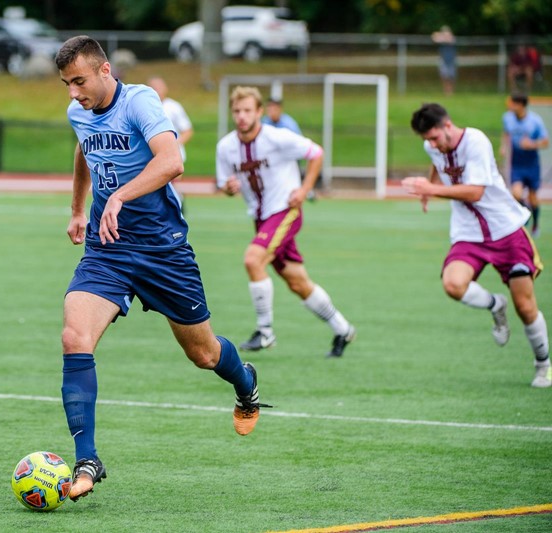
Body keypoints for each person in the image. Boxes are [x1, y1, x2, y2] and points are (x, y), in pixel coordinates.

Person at [54, 36, 270, 502]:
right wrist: (77, 209)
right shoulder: (79, 112)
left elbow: (171, 162)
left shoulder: (139, 102)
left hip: (162, 251)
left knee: (204, 354)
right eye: (67, 83)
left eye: (79, 81)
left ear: (105, 70)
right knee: (75, 337)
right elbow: (84, 150)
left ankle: (245, 382)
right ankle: (88, 458)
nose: (73, 92)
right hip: (108, 247)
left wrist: (119, 195)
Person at [402, 103, 549, 388]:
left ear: (447, 125)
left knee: (525, 306)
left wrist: (431, 189)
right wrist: (429, 187)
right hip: (468, 233)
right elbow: (437, 161)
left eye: (434, 138)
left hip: (506, 230)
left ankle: (544, 365)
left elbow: (475, 192)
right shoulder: (432, 145)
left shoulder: (476, 141)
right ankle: (496, 305)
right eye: (427, 140)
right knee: (453, 284)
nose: (432, 144)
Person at [216, 86, 356, 356]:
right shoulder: (226, 147)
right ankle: (343, 329)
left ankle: (265, 332)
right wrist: (229, 188)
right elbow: (224, 183)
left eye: (247, 110)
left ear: (259, 111)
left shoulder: (277, 137)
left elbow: (316, 153)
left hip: (284, 211)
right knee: (297, 282)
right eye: (237, 111)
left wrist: (304, 190)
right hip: (260, 218)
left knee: (252, 260)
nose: (242, 116)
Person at [500, 93, 549, 238]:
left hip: (532, 163)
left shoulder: (535, 121)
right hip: (517, 163)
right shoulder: (507, 118)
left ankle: (535, 224)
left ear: (520, 105)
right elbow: (506, 133)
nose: (509, 105)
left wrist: (532, 144)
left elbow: (545, 142)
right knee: (516, 194)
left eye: (512, 103)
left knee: (533, 197)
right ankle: (525, 213)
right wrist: (504, 146)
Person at [147, 76, 193, 210]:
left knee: (172, 185)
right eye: (152, 87)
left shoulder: (174, 107)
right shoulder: (145, 107)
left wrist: (174, 144)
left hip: (173, 154)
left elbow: (187, 130)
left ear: (165, 89)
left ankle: (178, 208)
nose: (156, 90)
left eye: (158, 87)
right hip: (152, 155)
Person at [262, 96, 316, 201]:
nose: (271, 111)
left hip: (289, 157)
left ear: (279, 109)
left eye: (274, 108)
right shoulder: (264, 122)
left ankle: (305, 190)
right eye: (269, 108)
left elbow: (300, 145)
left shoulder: (289, 124)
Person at [431, 26, 457, 95]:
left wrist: (442, 37)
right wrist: (440, 36)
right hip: (443, 60)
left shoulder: (452, 39)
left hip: (451, 60)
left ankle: (451, 91)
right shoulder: (442, 41)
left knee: (451, 76)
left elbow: (450, 39)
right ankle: (446, 91)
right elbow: (434, 37)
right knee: (444, 76)